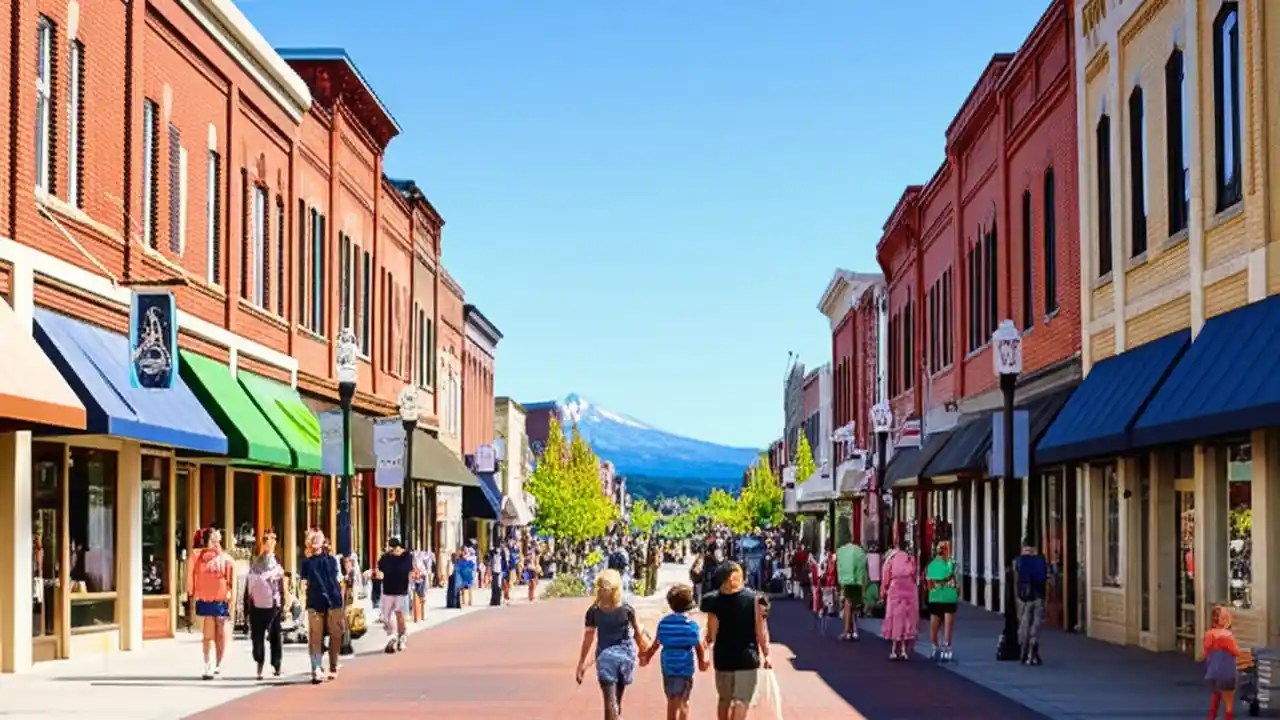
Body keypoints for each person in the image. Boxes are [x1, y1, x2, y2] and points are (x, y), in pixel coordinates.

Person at [701, 561, 772, 720]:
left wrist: (705, 646)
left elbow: (712, 633)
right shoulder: (756, 599)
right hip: (747, 656)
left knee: (724, 699)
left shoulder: (713, 601)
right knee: (742, 700)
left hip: (723, 656)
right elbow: (761, 630)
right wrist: (767, 653)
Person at [575, 569, 649, 720]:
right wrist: (644, 652)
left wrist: (582, 663)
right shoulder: (627, 610)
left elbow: (588, 638)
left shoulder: (593, 612)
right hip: (625, 657)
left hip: (605, 658)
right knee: (617, 699)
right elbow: (638, 635)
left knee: (609, 700)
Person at [640, 584, 708, 720]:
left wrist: (646, 657)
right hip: (685, 668)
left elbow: (655, 644)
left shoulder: (664, 623)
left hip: (668, 667)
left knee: (671, 698)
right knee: (684, 700)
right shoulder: (691, 626)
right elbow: (698, 646)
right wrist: (702, 662)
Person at [188, 527, 235, 680]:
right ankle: (207, 662)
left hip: (221, 599)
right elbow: (191, 576)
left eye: (217, 539)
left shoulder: (225, 558)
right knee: (208, 632)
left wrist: (231, 597)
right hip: (206, 597)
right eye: (212, 539)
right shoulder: (198, 557)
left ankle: (218, 663)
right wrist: (191, 592)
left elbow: (231, 579)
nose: (215, 542)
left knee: (220, 631)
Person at [299, 529, 344, 684]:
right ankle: (316, 668)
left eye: (318, 539)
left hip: (334, 601)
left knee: (336, 634)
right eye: (312, 539)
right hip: (315, 602)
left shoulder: (332, 560)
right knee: (315, 637)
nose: (315, 542)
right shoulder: (306, 563)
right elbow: (303, 583)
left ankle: (333, 665)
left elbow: (338, 580)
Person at [244, 528, 286, 680]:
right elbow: (249, 585)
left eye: (272, 540)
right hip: (257, 605)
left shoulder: (277, 561)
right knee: (258, 637)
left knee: (275, 635)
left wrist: (283, 602)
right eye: (266, 540)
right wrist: (247, 605)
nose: (269, 543)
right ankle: (259, 664)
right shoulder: (256, 562)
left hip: (273, 604)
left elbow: (282, 584)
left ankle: (276, 665)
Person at [1204, 605, 1245, 720]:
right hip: (1226, 673)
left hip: (1212, 672)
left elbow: (1206, 652)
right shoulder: (1227, 636)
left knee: (1215, 697)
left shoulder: (1209, 634)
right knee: (1228, 704)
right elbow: (1236, 652)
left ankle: (1211, 718)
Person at [881, 542, 919, 661]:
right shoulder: (910, 559)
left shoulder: (890, 560)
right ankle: (903, 649)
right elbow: (914, 575)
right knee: (906, 618)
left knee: (895, 618)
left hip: (895, 590)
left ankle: (894, 649)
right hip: (909, 591)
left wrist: (883, 592)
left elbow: (885, 578)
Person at [1013, 537, 1048, 665]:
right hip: (1039, 596)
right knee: (1036, 623)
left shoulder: (1019, 561)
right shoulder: (1041, 560)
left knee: (1024, 623)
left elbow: (1016, 579)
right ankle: (1033, 644)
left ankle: (1025, 649)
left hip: (1024, 598)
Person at [377, 537, 414, 653]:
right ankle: (392, 635)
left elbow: (410, 570)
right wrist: (377, 574)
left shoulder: (407, 556)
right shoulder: (385, 557)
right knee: (386, 617)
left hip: (401, 590)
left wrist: (412, 583)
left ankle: (402, 636)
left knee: (400, 614)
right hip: (388, 589)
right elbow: (380, 571)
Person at [925, 540, 959, 662]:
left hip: (935, 597)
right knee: (948, 624)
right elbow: (956, 580)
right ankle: (947, 647)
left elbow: (929, 584)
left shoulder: (931, 565)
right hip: (949, 597)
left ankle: (935, 647)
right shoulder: (952, 564)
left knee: (934, 624)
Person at [835, 536, 869, 641]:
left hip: (848, 581)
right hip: (857, 581)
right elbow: (865, 568)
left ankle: (847, 631)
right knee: (855, 606)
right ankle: (854, 631)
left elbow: (839, 567)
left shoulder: (842, 552)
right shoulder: (860, 552)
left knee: (848, 604)